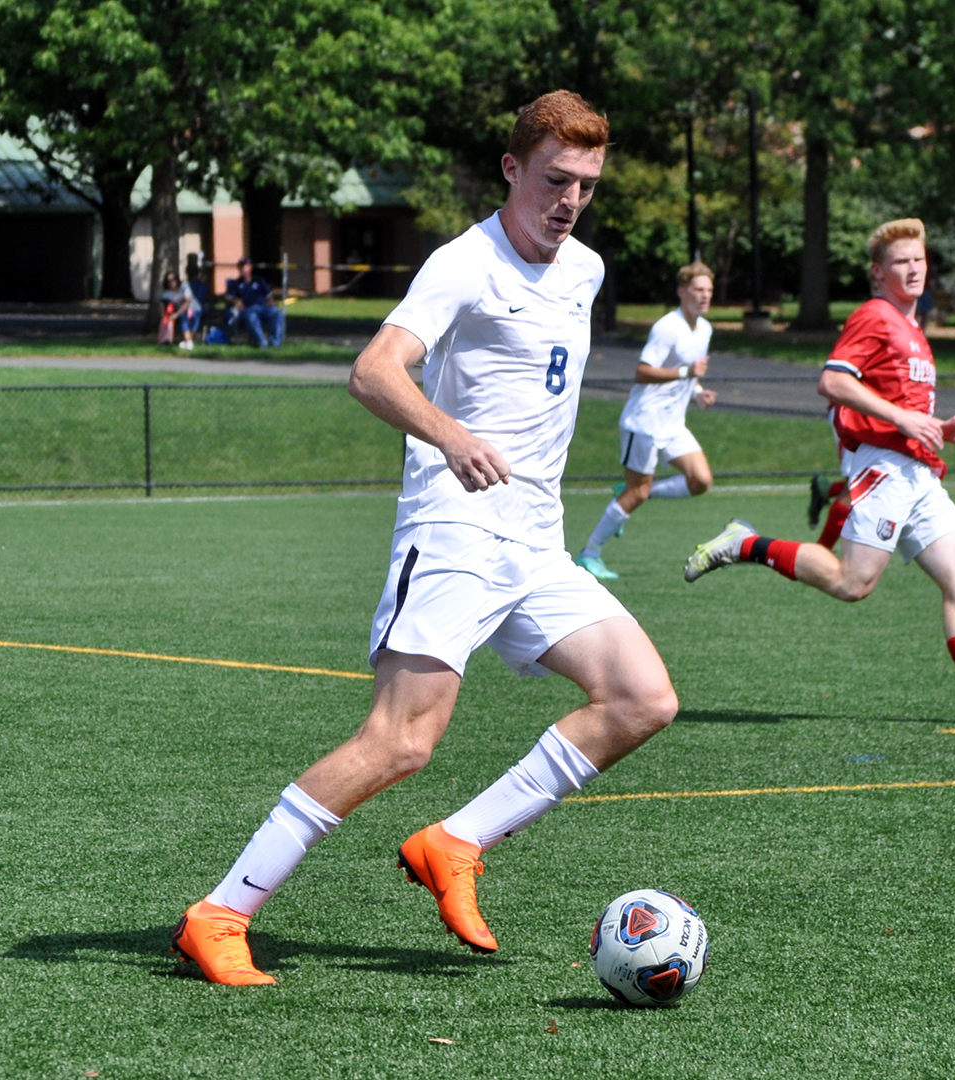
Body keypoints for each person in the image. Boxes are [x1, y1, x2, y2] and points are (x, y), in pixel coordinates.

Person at [169, 91, 679, 986]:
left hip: (535, 542)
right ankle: (220, 913)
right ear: (513, 170)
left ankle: (456, 842)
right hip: (453, 531)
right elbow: (372, 372)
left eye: (587, 186)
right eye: (555, 179)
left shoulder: (585, 270)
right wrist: (451, 435)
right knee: (401, 743)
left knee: (641, 699)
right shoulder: (462, 263)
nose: (569, 200)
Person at [684, 218, 955, 728]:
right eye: (902, 261)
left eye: (919, 260)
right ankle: (743, 543)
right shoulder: (876, 316)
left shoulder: (914, 328)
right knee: (851, 583)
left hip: (920, 475)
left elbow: (900, 407)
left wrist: (942, 428)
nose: (914, 268)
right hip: (881, 470)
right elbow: (832, 381)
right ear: (878, 273)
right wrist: (904, 419)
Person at [574, 262, 719, 580]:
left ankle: (635, 491)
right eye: (698, 290)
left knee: (701, 481)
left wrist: (698, 393)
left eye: (708, 290)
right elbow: (643, 371)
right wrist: (687, 373)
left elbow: (687, 374)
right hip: (645, 422)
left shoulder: (704, 329)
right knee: (635, 493)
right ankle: (589, 553)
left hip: (673, 424)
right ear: (682, 292)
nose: (704, 296)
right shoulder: (668, 327)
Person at [226, 257, 282, 347]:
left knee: (276, 313)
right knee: (252, 316)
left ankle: (275, 342)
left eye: (246, 266)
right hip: (248, 309)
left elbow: (269, 295)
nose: (243, 268)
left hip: (263, 307)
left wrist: (271, 302)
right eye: (241, 266)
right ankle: (262, 342)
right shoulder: (235, 283)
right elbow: (228, 298)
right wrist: (235, 300)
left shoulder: (259, 280)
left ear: (250, 267)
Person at [159, 270, 202, 350]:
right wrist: (164, 318)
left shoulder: (184, 286)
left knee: (193, 317)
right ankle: (188, 341)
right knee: (183, 317)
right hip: (182, 313)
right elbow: (162, 305)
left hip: (194, 308)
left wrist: (176, 314)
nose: (172, 282)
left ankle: (188, 341)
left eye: (174, 279)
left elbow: (187, 302)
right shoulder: (167, 293)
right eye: (169, 281)